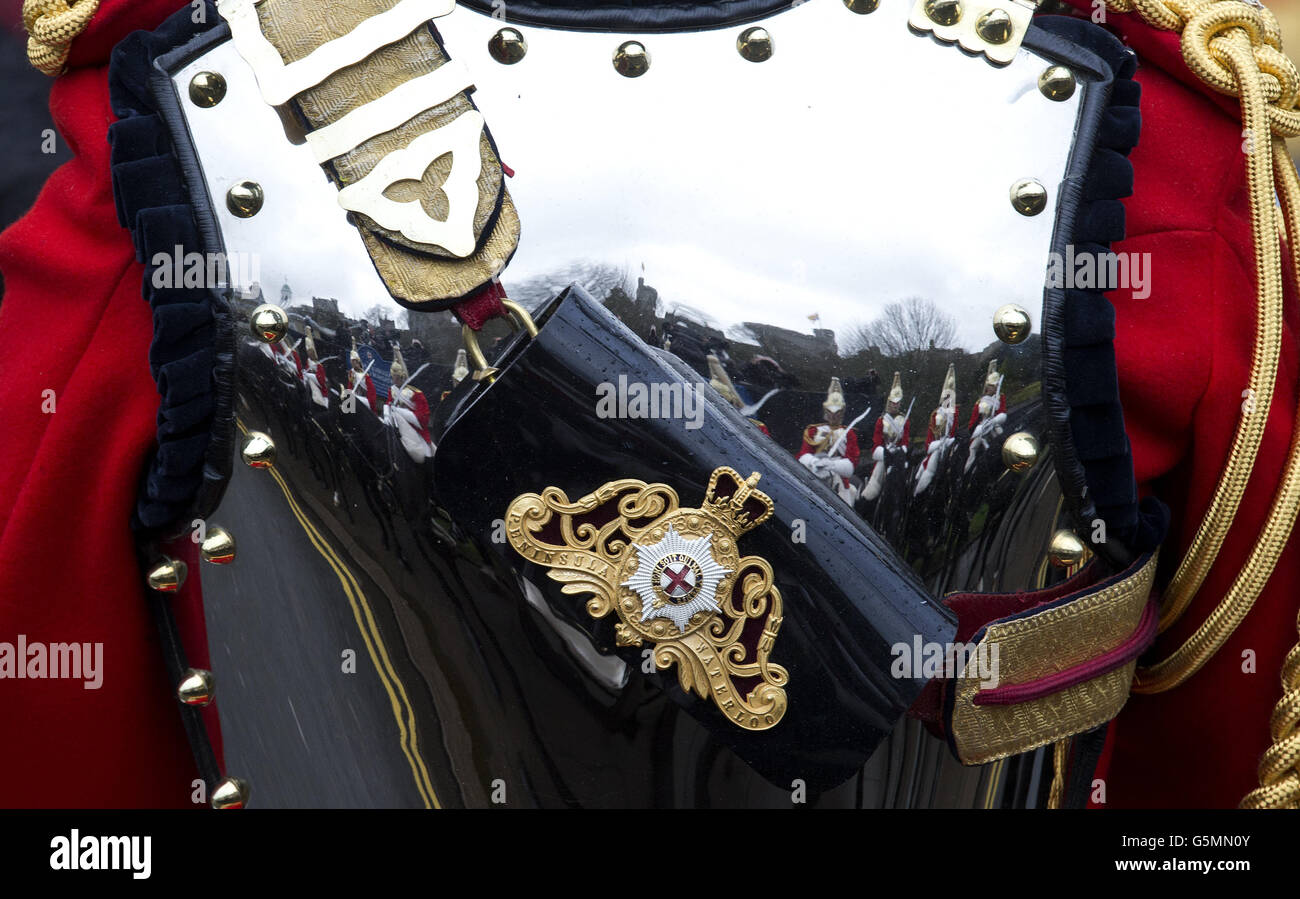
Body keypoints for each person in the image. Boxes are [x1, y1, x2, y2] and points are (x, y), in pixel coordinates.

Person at [797, 377, 860, 503]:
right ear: (826, 411)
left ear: (842, 412)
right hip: (815, 472)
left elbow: (852, 461)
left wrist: (832, 465)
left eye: (837, 412)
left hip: (839, 476)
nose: (833, 415)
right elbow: (803, 454)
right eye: (830, 412)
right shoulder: (813, 430)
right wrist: (814, 462)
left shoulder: (849, 433)